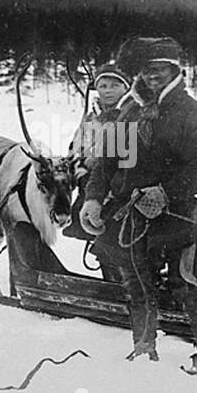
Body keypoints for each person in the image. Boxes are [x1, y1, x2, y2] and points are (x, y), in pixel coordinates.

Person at [80, 37, 197, 371]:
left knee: (186, 282)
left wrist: (165, 192)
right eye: (147, 70)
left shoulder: (192, 114)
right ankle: (144, 349)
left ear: (176, 71)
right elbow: (106, 164)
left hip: (176, 214)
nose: (153, 76)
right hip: (129, 216)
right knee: (135, 282)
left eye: (161, 69)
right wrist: (92, 199)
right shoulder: (128, 114)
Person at [63, 64, 131, 265]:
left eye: (114, 85)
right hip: (90, 186)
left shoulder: (132, 114)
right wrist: (81, 171)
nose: (108, 91)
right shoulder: (90, 117)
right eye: (103, 85)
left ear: (125, 88)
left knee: (114, 240)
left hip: (118, 187)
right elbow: (75, 150)